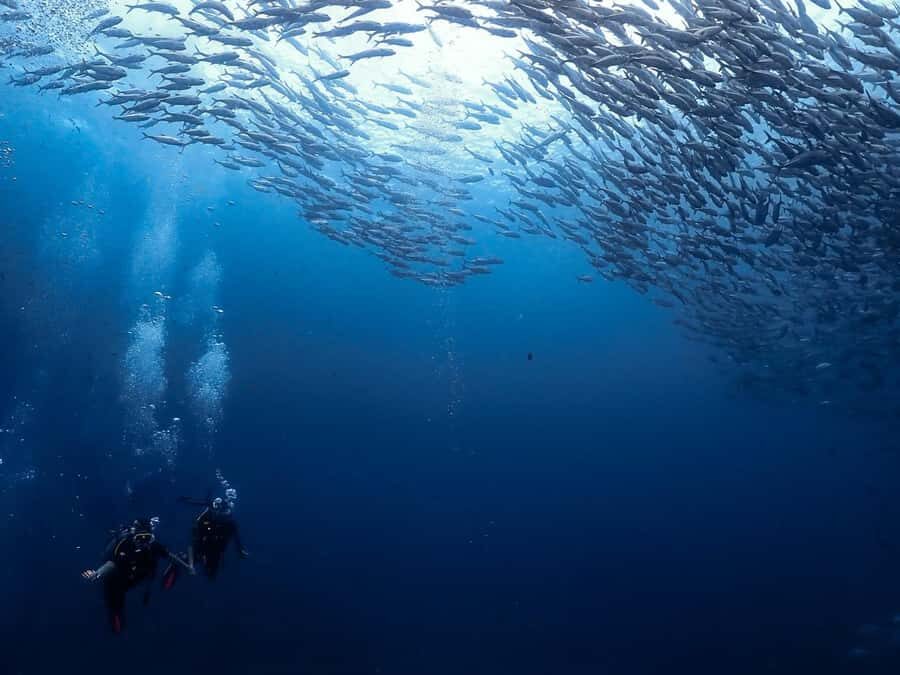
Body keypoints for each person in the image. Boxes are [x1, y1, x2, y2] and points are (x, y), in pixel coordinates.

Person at [82, 517, 193, 633]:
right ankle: (117, 619)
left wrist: (186, 565)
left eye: (147, 538)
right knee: (114, 603)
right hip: (119, 580)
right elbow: (111, 564)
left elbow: (169, 555)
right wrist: (97, 573)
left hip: (139, 576)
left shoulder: (153, 545)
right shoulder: (124, 543)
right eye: (140, 538)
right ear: (133, 536)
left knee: (157, 565)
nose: (143, 542)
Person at [179, 489, 248, 579]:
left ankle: (194, 560)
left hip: (216, 550)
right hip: (202, 545)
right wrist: (191, 564)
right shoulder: (206, 518)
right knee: (190, 560)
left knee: (211, 575)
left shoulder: (230, 524)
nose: (223, 516)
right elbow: (192, 542)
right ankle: (184, 558)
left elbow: (236, 538)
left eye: (225, 513)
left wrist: (240, 550)